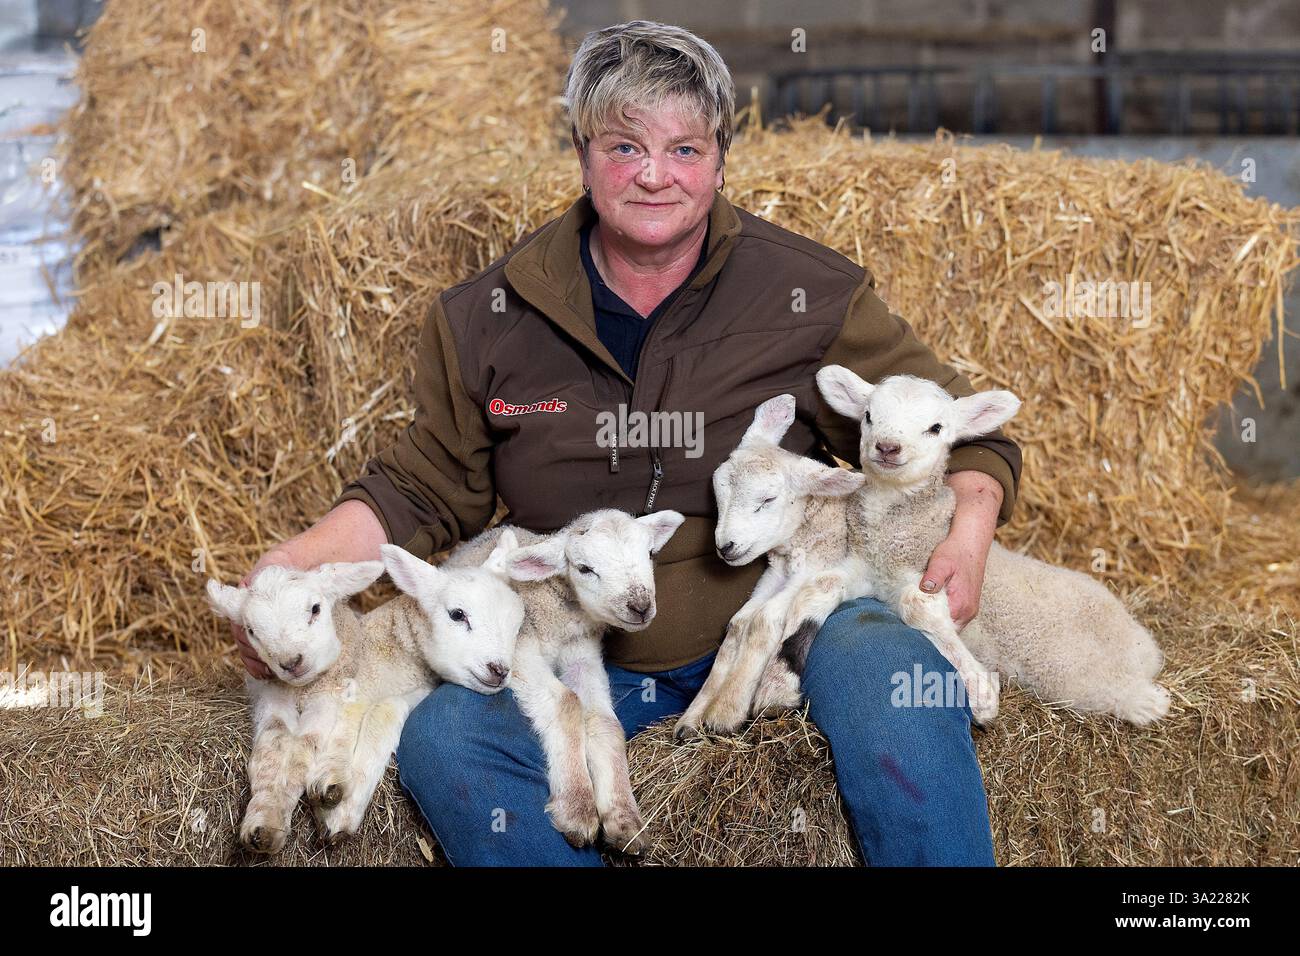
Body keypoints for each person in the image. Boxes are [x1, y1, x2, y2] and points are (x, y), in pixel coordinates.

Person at [233, 20, 1021, 866]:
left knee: (895, 680)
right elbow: (426, 489)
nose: (654, 175)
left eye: (685, 149)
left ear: (722, 157)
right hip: (570, 641)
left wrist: (969, 533)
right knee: (447, 739)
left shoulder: (805, 293)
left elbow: (963, 435)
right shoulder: (489, 317)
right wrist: (288, 568)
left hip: (784, 610)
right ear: (581, 152)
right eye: (623, 146)